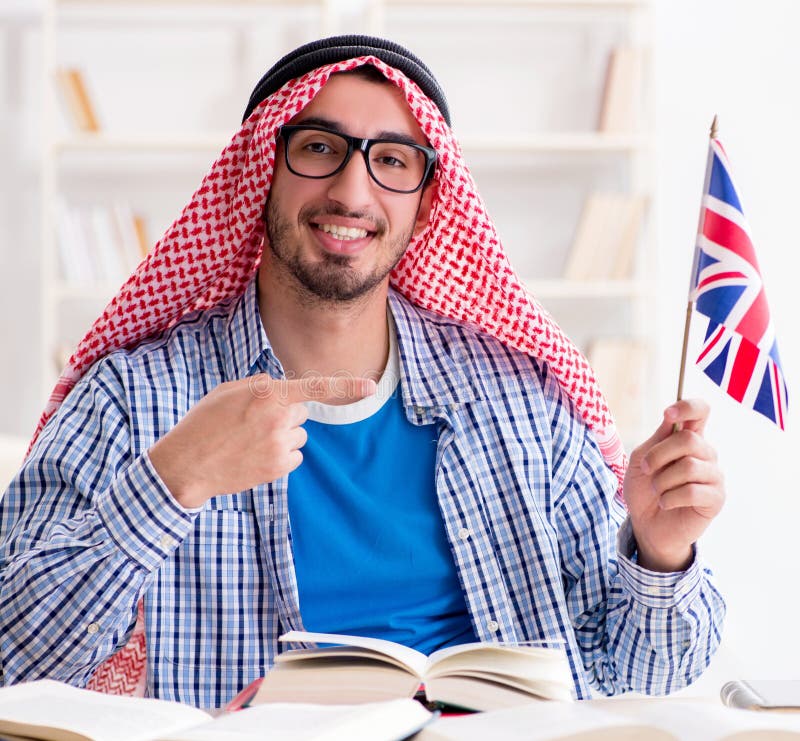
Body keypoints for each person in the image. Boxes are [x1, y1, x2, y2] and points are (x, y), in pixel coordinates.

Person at [0, 36, 725, 709]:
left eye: (392, 161)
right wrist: (171, 482)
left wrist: (661, 552)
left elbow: (638, 672)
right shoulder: (134, 400)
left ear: (428, 197)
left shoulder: (521, 401)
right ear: (262, 172)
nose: (352, 191)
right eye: (320, 148)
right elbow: (13, 659)